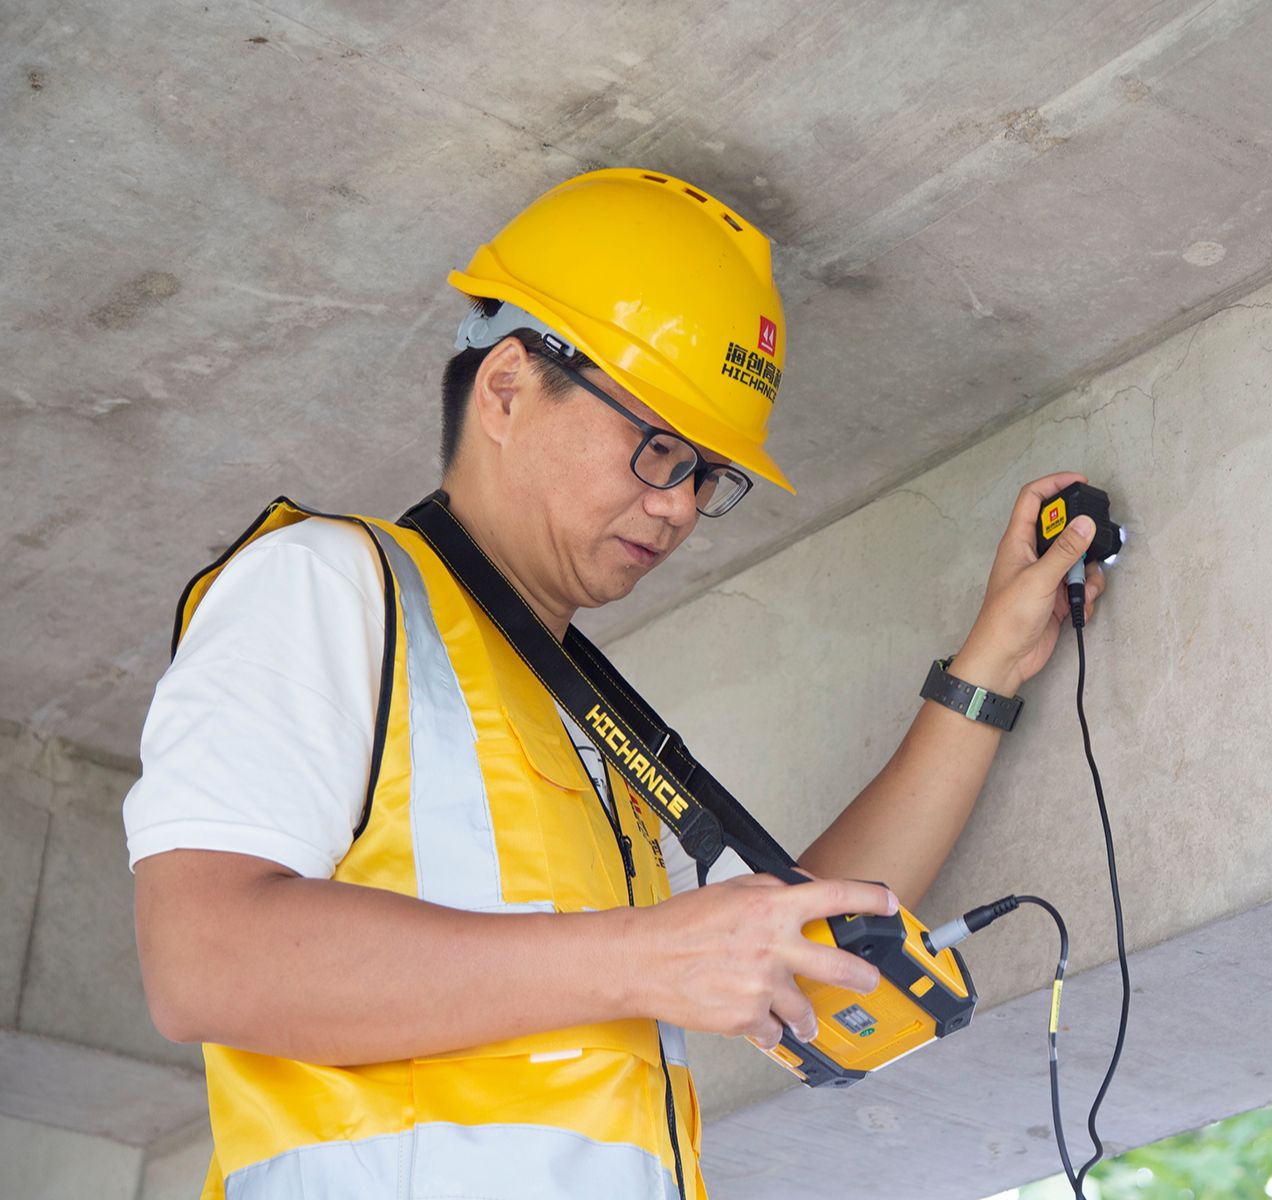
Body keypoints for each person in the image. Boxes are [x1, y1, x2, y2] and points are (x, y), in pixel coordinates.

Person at [125, 168, 1107, 1199]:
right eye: (658, 449)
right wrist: (642, 955)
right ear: (506, 388)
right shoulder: (333, 583)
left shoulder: (581, 719)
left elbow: (802, 935)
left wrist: (986, 672)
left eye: (705, 476)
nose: (680, 506)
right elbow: (203, 958)